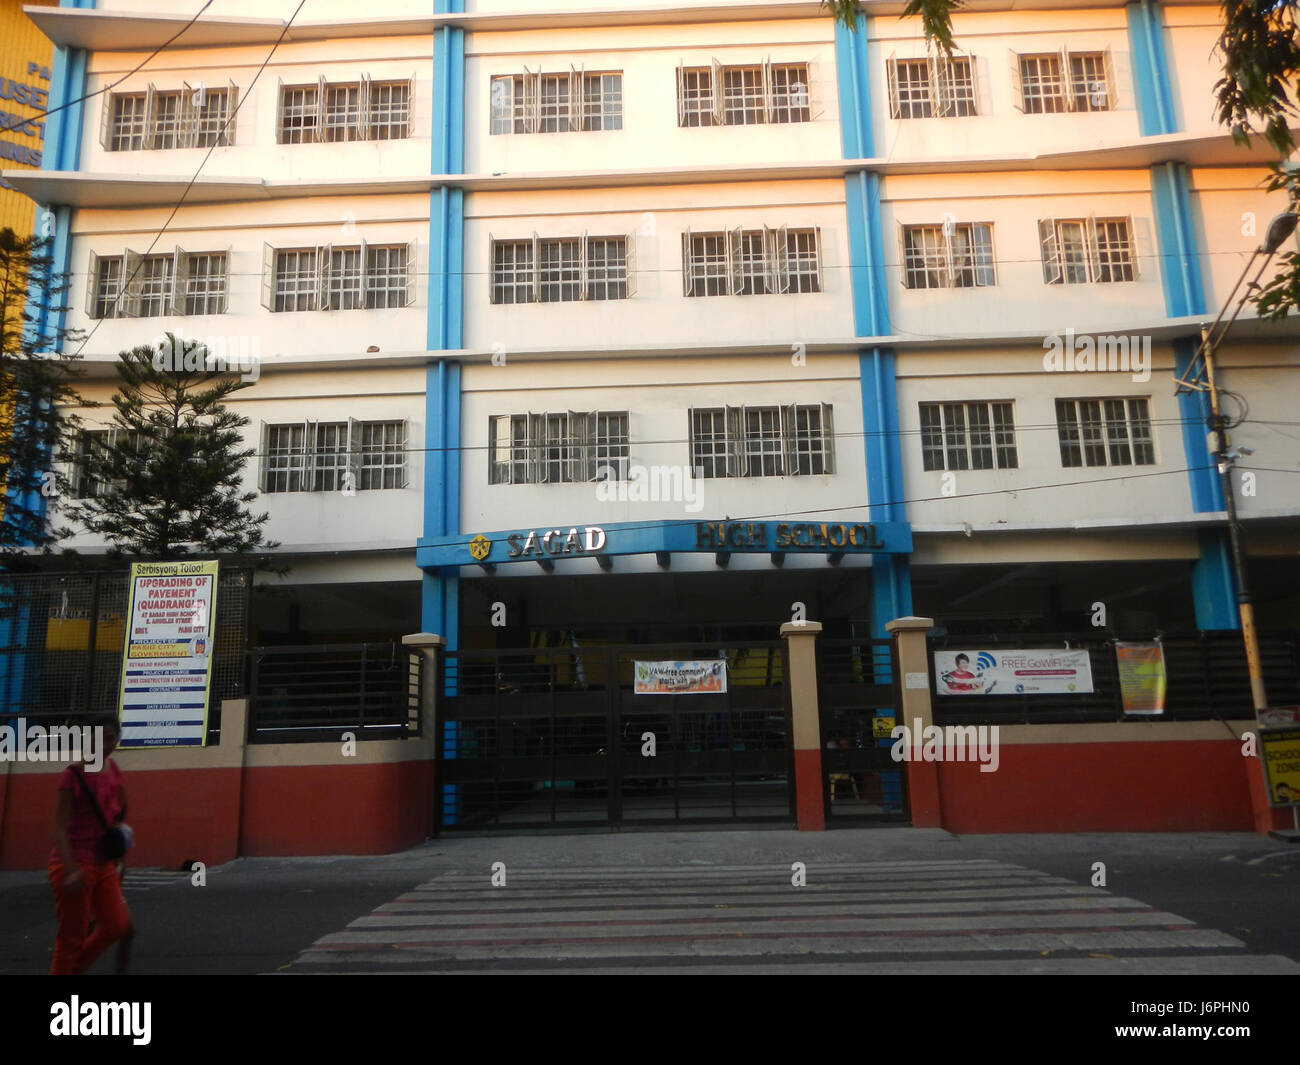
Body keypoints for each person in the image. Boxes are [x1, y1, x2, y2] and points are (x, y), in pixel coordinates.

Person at [48, 715, 134, 975]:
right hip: (74, 864)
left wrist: (119, 843)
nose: (107, 744)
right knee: (71, 939)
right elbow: (58, 828)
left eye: (112, 738)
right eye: (102, 737)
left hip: (103, 863)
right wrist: (72, 869)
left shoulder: (114, 771)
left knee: (116, 925)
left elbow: (118, 812)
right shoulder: (71, 776)